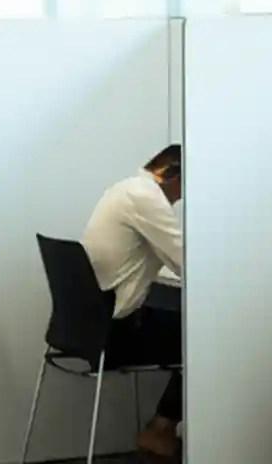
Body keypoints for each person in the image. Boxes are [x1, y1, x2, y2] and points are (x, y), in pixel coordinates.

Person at [81, 144, 183, 459]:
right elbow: (187, 261)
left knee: (178, 317)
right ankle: (161, 428)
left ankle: (162, 427)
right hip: (115, 337)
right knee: (207, 337)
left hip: (86, 328)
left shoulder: (125, 190)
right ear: (172, 175)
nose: (180, 198)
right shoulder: (148, 199)